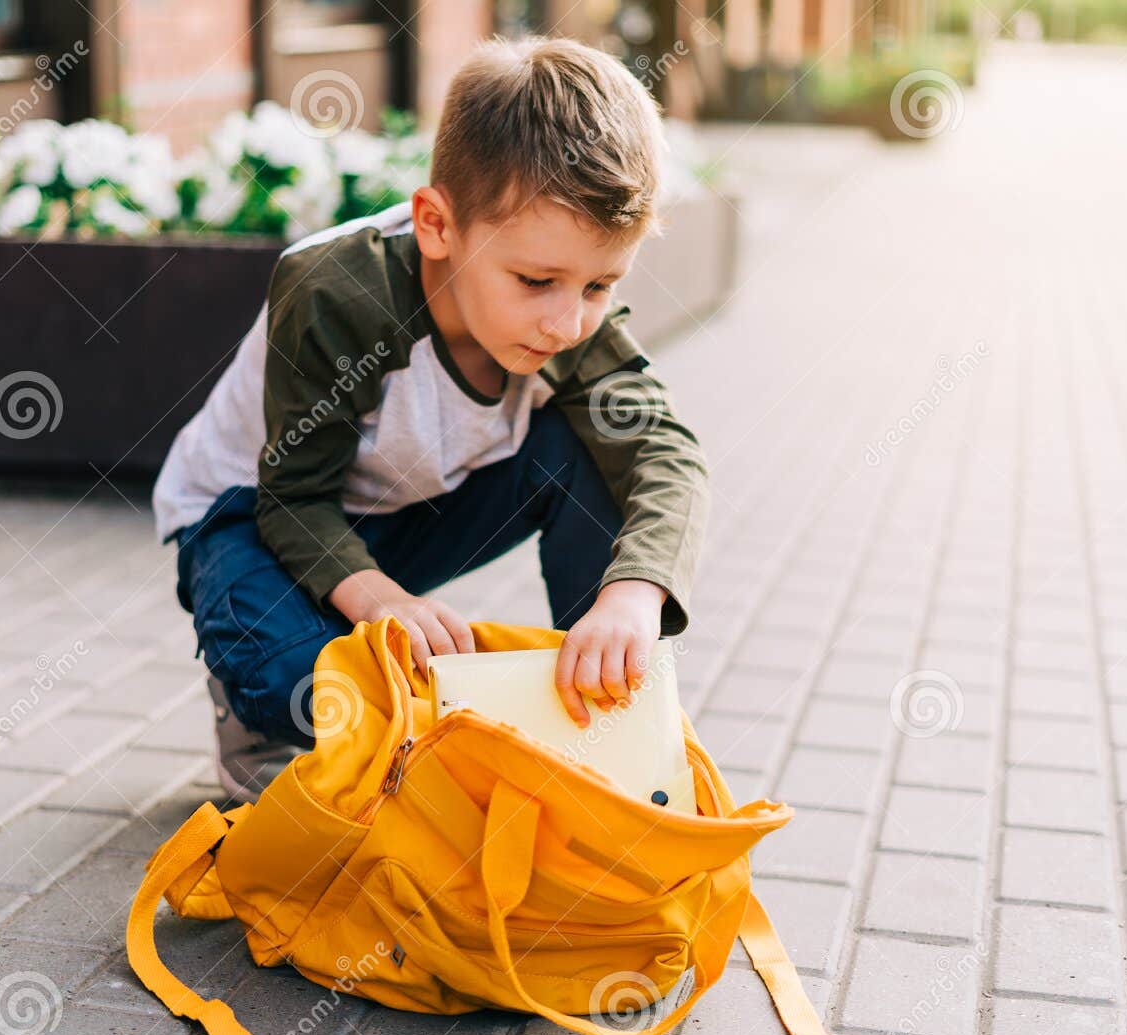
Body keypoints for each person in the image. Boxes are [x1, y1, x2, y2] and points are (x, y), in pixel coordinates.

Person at [153, 35, 711, 802]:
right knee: (295, 682)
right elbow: (293, 499)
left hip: (395, 517)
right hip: (252, 519)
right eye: (538, 279)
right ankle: (263, 714)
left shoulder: (567, 321)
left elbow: (664, 453)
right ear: (437, 225)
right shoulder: (337, 295)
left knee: (593, 451)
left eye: (599, 284)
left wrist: (632, 597)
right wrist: (383, 604)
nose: (567, 321)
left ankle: (600, 705)